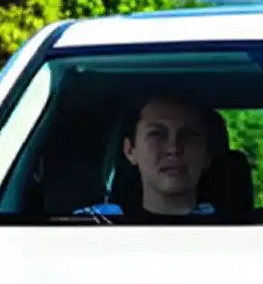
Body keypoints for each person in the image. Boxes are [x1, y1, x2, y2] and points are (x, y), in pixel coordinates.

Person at [76, 94, 219, 220]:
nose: (174, 148)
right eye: (157, 134)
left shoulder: (231, 228)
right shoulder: (90, 226)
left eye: (188, 134)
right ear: (130, 150)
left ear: (207, 154)